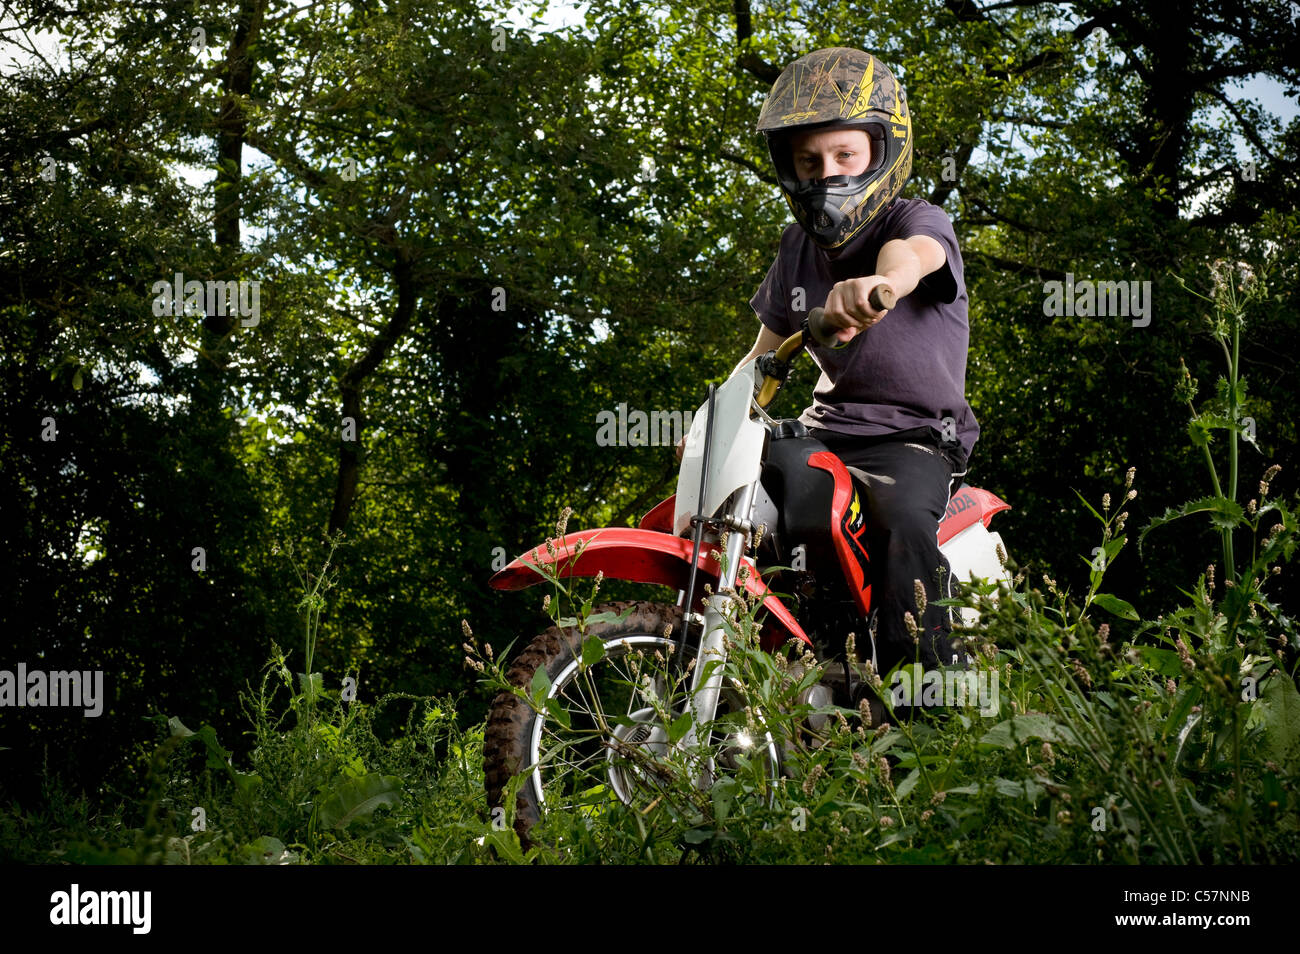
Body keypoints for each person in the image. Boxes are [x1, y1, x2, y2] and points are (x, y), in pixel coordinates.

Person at [739, 47, 979, 690]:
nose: (827, 174)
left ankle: (928, 706)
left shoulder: (916, 221)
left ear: (882, 150)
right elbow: (764, 353)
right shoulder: (797, 249)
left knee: (899, 520)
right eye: (809, 161)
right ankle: (792, 672)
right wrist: (718, 417)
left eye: (845, 155)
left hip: (912, 435)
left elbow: (913, 258)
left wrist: (879, 285)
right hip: (825, 427)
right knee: (741, 507)